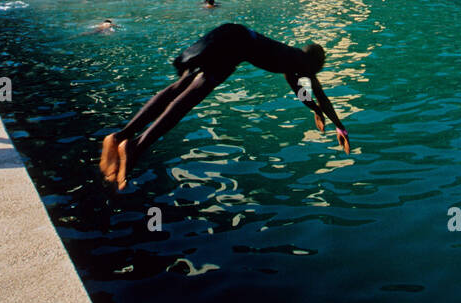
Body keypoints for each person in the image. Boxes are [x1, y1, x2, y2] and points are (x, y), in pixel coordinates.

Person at [99, 24, 352, 190]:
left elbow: (300, 90)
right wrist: (340, 128)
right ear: (316, 63)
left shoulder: (291, 58)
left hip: (230, 34)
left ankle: (121, 136)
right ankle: (136, 147)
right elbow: (319, 94)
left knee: (178, 89)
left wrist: (314, 111)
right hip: (234, 46)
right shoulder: (303, 63)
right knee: (186, 101)